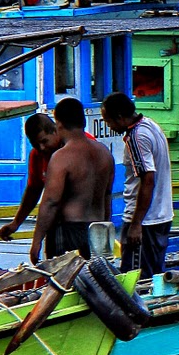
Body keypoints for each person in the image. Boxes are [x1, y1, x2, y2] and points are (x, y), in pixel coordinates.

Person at [30, 99, 115, 262]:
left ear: (59, 124)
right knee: (96, 282)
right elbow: (107, 196)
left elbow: (50, 202)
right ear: (82, 121)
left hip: (69, 232)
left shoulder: (62, 157)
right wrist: (106, 229)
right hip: (99, 228)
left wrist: (37, 241)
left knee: (66, 285)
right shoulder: (105, 154)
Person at [103, 92, 173, 278]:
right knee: (154, 276)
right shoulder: (151, 126)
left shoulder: (136, 137)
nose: (108, 126)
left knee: (136, 280)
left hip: (146, 220)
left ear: (119, 116)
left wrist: (136, 224)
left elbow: (147, 179)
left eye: (109, 121)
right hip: (160, 216)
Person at [0, 112, 94, 242]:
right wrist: (16, 223)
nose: (41, 148)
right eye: (36, 145)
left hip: (86, 220)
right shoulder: (36, 155)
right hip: (56, 223)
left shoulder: (82, 145)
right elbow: (33, 191)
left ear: (55, 131)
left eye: (44, 141)